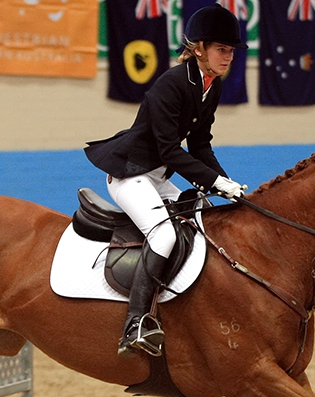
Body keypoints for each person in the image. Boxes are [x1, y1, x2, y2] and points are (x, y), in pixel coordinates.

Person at [84, 4, 247, 358]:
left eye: (232, 51)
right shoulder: (171, 84)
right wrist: (216, 183)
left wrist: (226, 183)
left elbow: (200, 144)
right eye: (222, 49)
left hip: (156, 177)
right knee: (165, 234)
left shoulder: (210, 86)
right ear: (199, 47)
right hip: (130, 174)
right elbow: (171, 150)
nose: (228, 57)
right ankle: (135, 323)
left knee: (202, 218)